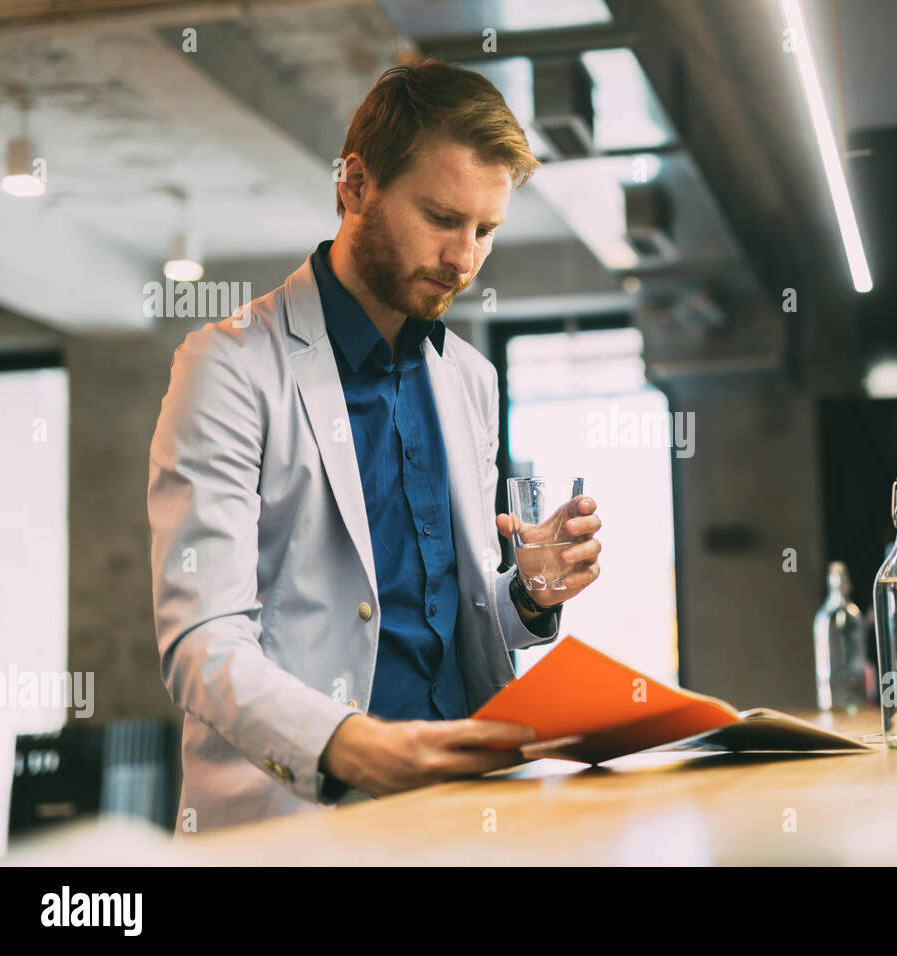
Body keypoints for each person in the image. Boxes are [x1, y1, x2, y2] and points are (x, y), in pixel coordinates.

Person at [147, 60, 603, 834]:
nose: (464, 259)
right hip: (299, 824)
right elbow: (201, 641)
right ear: (354, 185)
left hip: (467, 814)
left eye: (485, 230)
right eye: (441, 218)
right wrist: (350, 746)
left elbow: (435, 621)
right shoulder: (226, 366)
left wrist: (526, 592)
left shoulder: (471, 380)